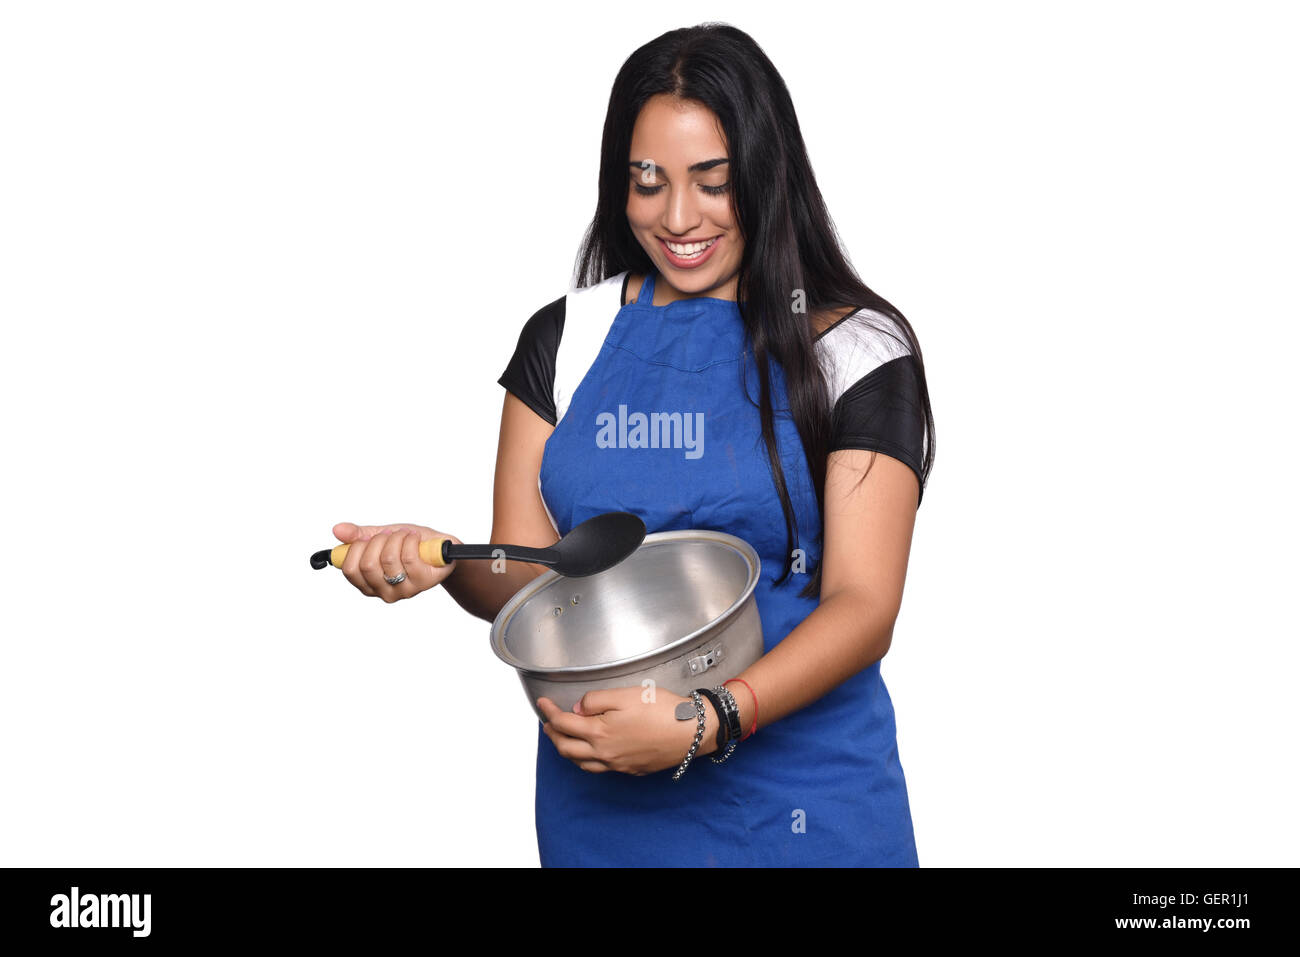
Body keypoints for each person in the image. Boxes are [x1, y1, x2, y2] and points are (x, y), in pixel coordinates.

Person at [329, 22, 935, 867]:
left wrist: (713, 716)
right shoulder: (567, 338)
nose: (678, 217)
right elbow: (533, 580)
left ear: (766, 174)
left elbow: (863, 607)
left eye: (712, 183)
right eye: (648, 182)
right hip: (603, 815)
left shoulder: (857, 352)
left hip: (808, 808)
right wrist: (438, 562)